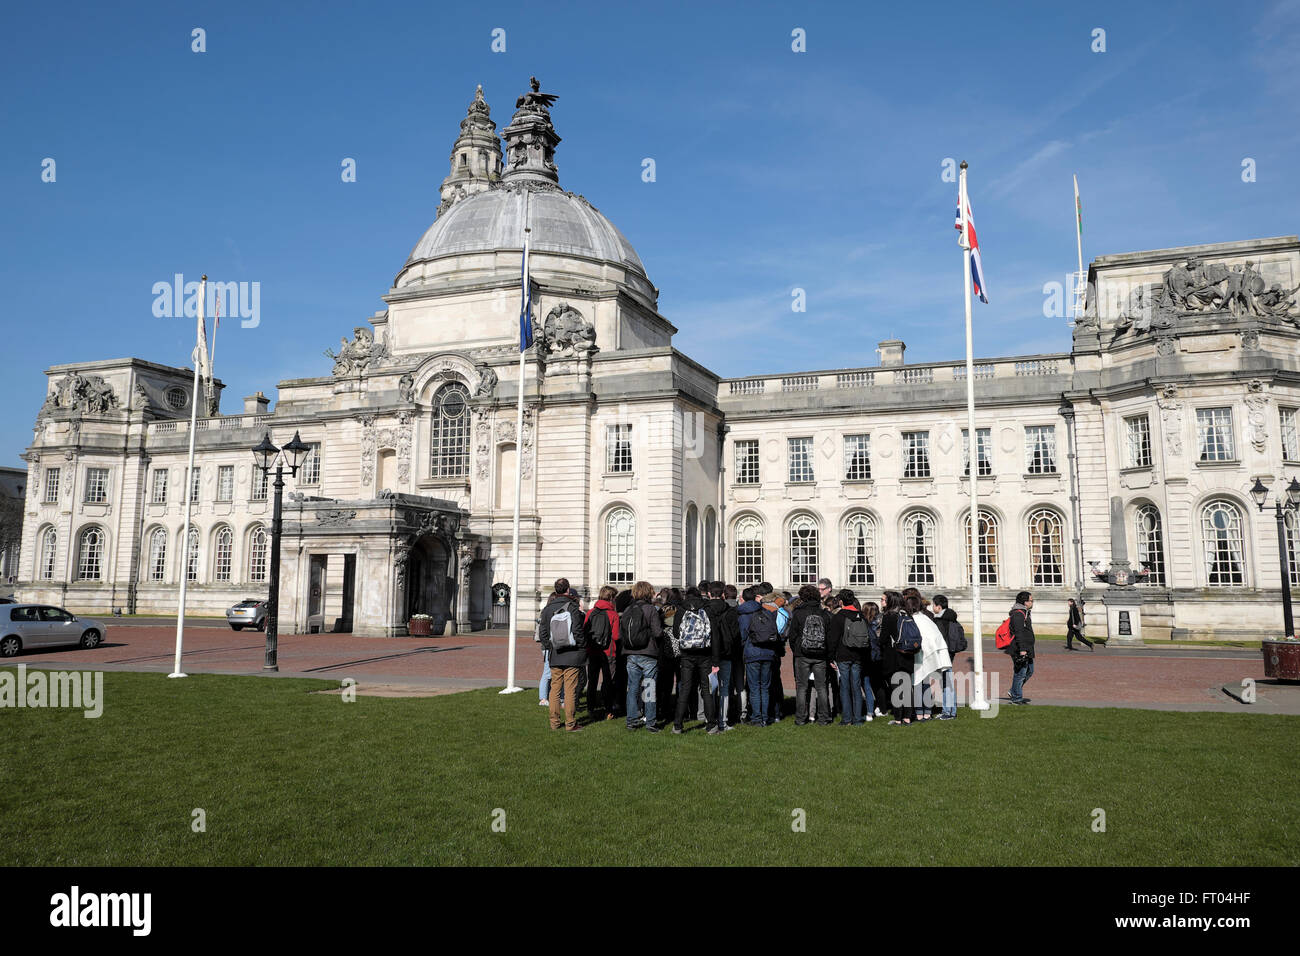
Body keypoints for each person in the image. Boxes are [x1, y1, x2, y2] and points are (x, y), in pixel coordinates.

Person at [538, 578, 587, 732]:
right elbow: (578, 630)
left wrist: (550, 646)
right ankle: (570, 723)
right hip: (572, 653)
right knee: (570, 689)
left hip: (555, 653)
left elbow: (543, 633)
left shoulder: (546, 609)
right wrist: (581, 645)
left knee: (555, 689)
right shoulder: (572, 607)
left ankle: (554, 722)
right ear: (567, 590)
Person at [673, 587, 721, 734]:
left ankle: (677, 726)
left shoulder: (681, 609)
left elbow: (676, 633)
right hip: (705, 654)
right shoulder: (707, 608)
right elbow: (715, 635)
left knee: (685, 689)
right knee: (706, 690)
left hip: (687, 654)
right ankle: (711, 724)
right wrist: (716, 660)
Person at [621, 580, 665, 731]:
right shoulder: (650, 609)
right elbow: (658, 632)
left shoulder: (628, 609)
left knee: (632, 688)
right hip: (648, 652)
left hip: (630, 653)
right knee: (649, 688)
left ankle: (631, 720)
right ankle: (650, 722)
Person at [791, 583, 834, 726]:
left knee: (802, 687)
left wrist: (796, 649)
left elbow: (793, 635)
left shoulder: (798, 613)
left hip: (802, 653)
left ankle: (800, 718)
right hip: (820, 654)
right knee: (821, 687)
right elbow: (829, 636)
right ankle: (823, 718)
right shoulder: (824, 613)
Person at [830, 589, 867, 726]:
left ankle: (847, 719)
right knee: (856, 687)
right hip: (858, 655)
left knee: (844, 687)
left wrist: (830, 657)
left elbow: (833, 639)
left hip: (843, 655)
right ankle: (857, 718)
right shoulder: (861, 615)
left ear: (841, 601)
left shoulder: (839, 616)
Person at [878, 590, 915, 725]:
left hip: (893, 655)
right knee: (906, 686)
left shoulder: (889, 616)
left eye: (883, 600)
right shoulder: (906, 614)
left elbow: (882, 639)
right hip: (907, 653)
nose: (881, 602)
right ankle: (907, 716)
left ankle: (898, 718)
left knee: (896, 688)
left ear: (890, 602)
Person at [584, 585, 620, 719]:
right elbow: (616, 636)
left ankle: (590, 708)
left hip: (593, 651)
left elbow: (585, 630)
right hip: (608, 652)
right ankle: (608, 709)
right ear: (611, 598)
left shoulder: (590, 612)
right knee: (608, 681)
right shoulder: (613, 614)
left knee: (592, 681)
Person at [931, 594, 965, 719]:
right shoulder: (952, 618)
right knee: (946, 682)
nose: (932, 608)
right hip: (950, 652)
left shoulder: (940, 621)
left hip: (943, 654)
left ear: (939, 607)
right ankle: (950, 710)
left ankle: (949, 712)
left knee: (946, 683)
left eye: (933, 605)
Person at [718, 584, 742, 728]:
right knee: (732, 686)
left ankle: (713, 717)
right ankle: (732, 716)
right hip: (734, 652)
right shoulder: (738, 611)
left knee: (716, 687)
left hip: (718, 653)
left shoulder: (718, 611)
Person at [1007, 591, 1036, 705]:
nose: (1032, 602)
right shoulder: (1018, 614)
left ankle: (1014, 691)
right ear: (1025, 602)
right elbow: (1018, 633)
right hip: (1019, 648)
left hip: (1027, 647)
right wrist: (1022, 649)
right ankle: (1016, 698)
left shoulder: (1025, 612)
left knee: (1030, 671)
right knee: (1020, 673)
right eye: (1031, 600)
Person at [862, 602, 883, 719]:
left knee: (866, 684)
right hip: (877, 656)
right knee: (876, 684)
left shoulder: (864, 624)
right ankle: (878, 708)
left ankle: (869, 711)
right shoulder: (879, 623)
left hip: (867, 656)